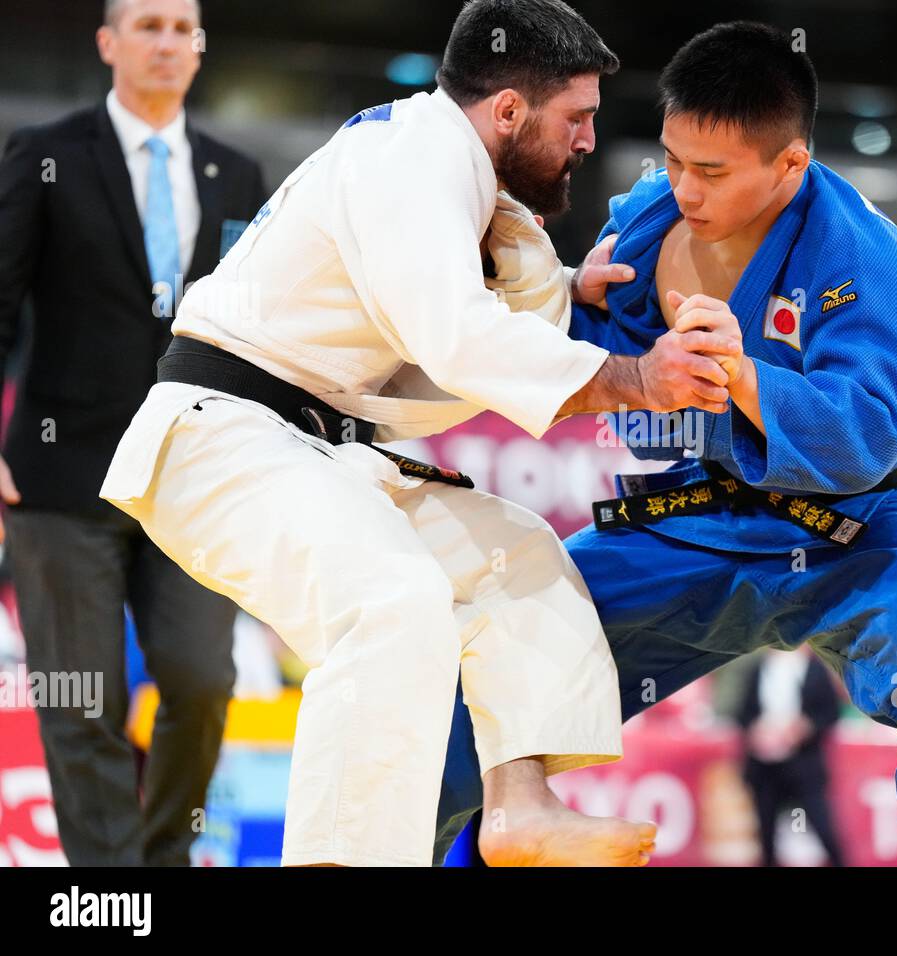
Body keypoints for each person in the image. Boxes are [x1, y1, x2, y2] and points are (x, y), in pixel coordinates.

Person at [100, 0, 739, 867]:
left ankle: (519, 805)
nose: (589, 139)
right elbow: (458, 338)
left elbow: (459, 316)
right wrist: (634, 380)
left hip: (317, 448)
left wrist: (564, 289)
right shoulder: (411, 158)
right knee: (391, 603)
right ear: (508, 109)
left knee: (521, 555)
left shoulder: (462, 179)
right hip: (223, 433)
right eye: (576, 117)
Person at [435, 21, 897, 867]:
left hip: (853, 531)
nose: (683, 188)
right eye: (671, 158)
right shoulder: (646, 223)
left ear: (790, 166)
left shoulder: (873, 264)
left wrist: (743, 377)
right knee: (484, 659)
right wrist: (551, 292)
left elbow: (865, 436)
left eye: (711, 170)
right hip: (692, 522)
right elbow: (587, 353)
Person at [0, 0, 264, 866]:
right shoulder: (45, 155)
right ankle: (113, 898)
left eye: (181, 27)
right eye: (146, 25)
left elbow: (262, 331)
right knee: (81, 698)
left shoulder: (239, 175)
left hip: (193, 480)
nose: (165, 42)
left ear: (199, 48)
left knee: (202, 677)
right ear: (108, 43)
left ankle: (163, 862)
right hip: (61, 477)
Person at [738, 648, 846, 867]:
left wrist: (805, 728)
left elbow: (830, 713)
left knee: (822, 826)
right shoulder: (758, 667)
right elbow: (742, 713)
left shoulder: (815, 669)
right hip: (764, 765)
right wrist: (756, 730)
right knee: (766, 831)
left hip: (803, 764)